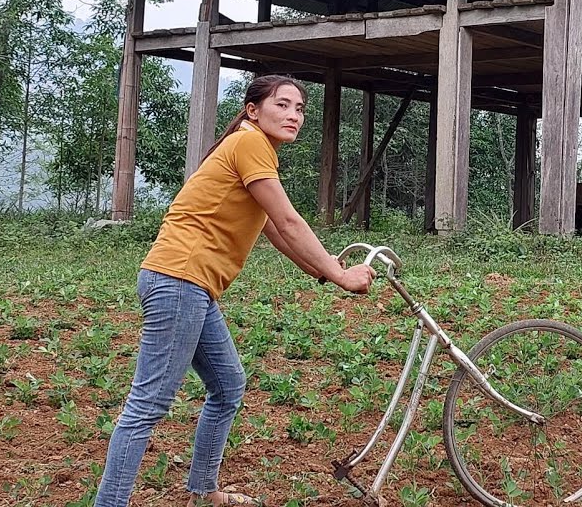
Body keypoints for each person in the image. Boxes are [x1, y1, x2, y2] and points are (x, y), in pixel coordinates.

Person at [94, 74, 377, 507]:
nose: (293, 115)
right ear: (252, 110)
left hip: (191, 286)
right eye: (282, 105)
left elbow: (275, 232)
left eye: (300, 109)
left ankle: (204, 492)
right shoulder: (249, 145)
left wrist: (326, 271)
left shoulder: (251, 150)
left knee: (227, 386)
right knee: (147, 405)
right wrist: (342, 276)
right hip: (180, 281)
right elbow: (289, 221)